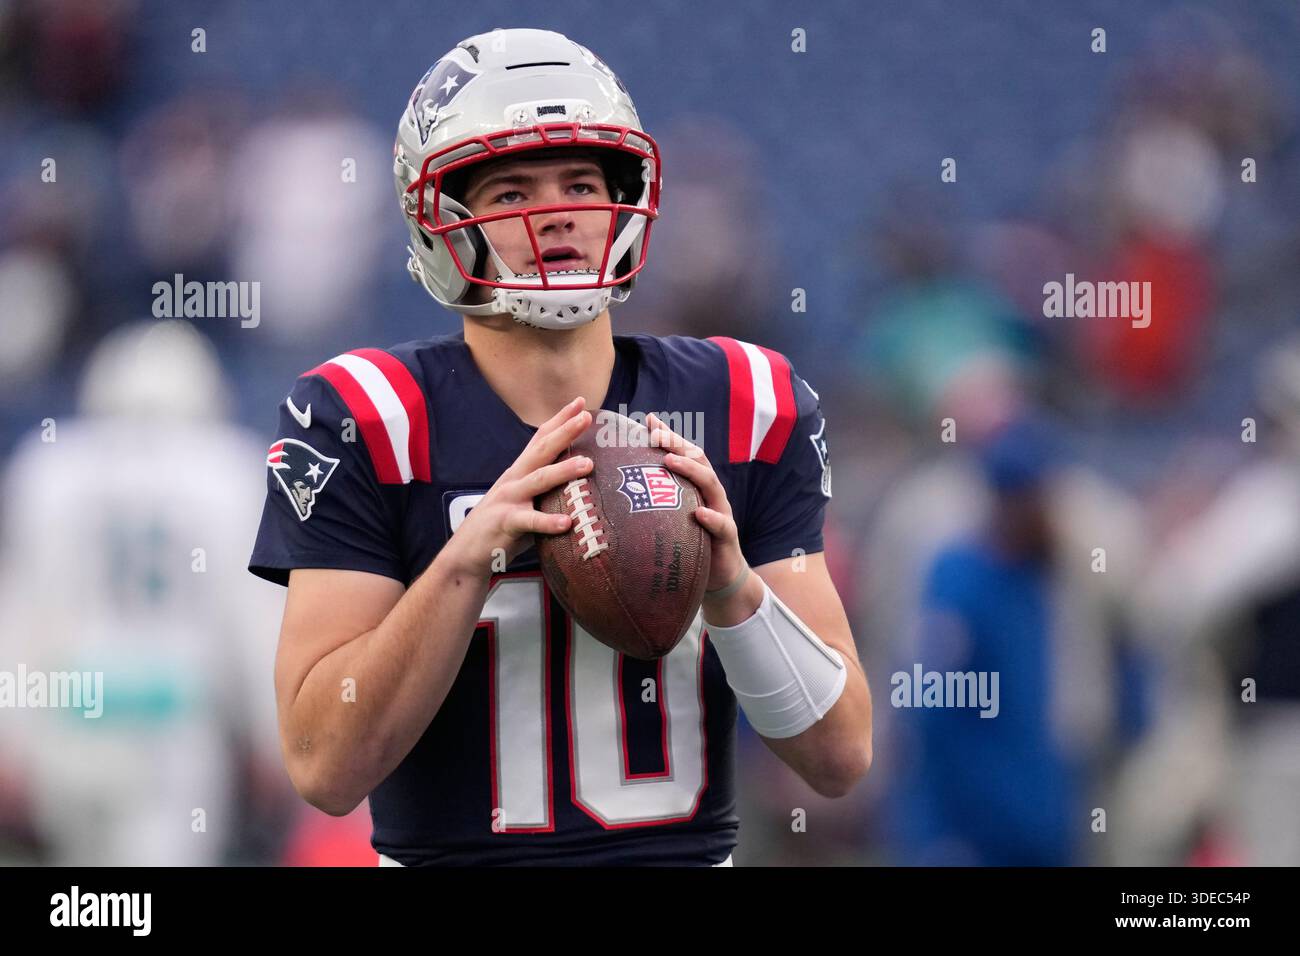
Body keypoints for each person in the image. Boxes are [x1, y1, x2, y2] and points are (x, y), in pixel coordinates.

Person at [248, 28, 872, 866]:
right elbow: (325, 767)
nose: (560, 213)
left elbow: (839, 758)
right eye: (511, 193)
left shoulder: (742, 403)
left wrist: (733, 593)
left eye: (581, 181)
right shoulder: (370, 417)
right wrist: (463, 564)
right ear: (441, 220)